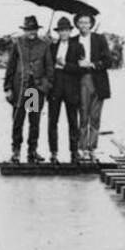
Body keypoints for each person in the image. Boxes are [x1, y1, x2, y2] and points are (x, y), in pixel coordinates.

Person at [4, 15, 55, 163]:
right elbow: (11, 67)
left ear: (37, 30)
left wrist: (46, 86)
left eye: (33, 29)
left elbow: (49, 68)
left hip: (34, 90)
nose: (31, 32)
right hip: (20, 89)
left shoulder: (44, 45)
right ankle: (16, 151)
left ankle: (32, 151)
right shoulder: (18, 44)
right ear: (24, 30)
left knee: (34, 122)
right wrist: (7, 87)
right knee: (17, 121)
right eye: (28, 29)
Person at [74, 13, 111, 161]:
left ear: (91, 24)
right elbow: (69, 61)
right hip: (81, 80)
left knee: (95, 117)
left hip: (98, 81)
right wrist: (77, 64)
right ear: (77, 24)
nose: (83, 25)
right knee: (83, 116)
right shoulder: (73, 40)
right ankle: (81, 147)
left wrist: (93, 64)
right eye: (81, 22)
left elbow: (108, 61)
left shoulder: (99, 39)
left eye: (86, 22)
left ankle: (92, 148)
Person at [47, 16, 82, 162]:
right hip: (54, 89)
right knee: (52, 122)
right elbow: (46, 66)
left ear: (70, 31)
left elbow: (81, 69)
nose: (63, 33)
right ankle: (53, 153)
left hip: (71, 90)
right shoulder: (52, 47)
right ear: (58, 32)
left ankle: (74, 152)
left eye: (66, 31)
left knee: (73, 122)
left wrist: (64, 64)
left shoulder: (78, 47)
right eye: (61, 31)